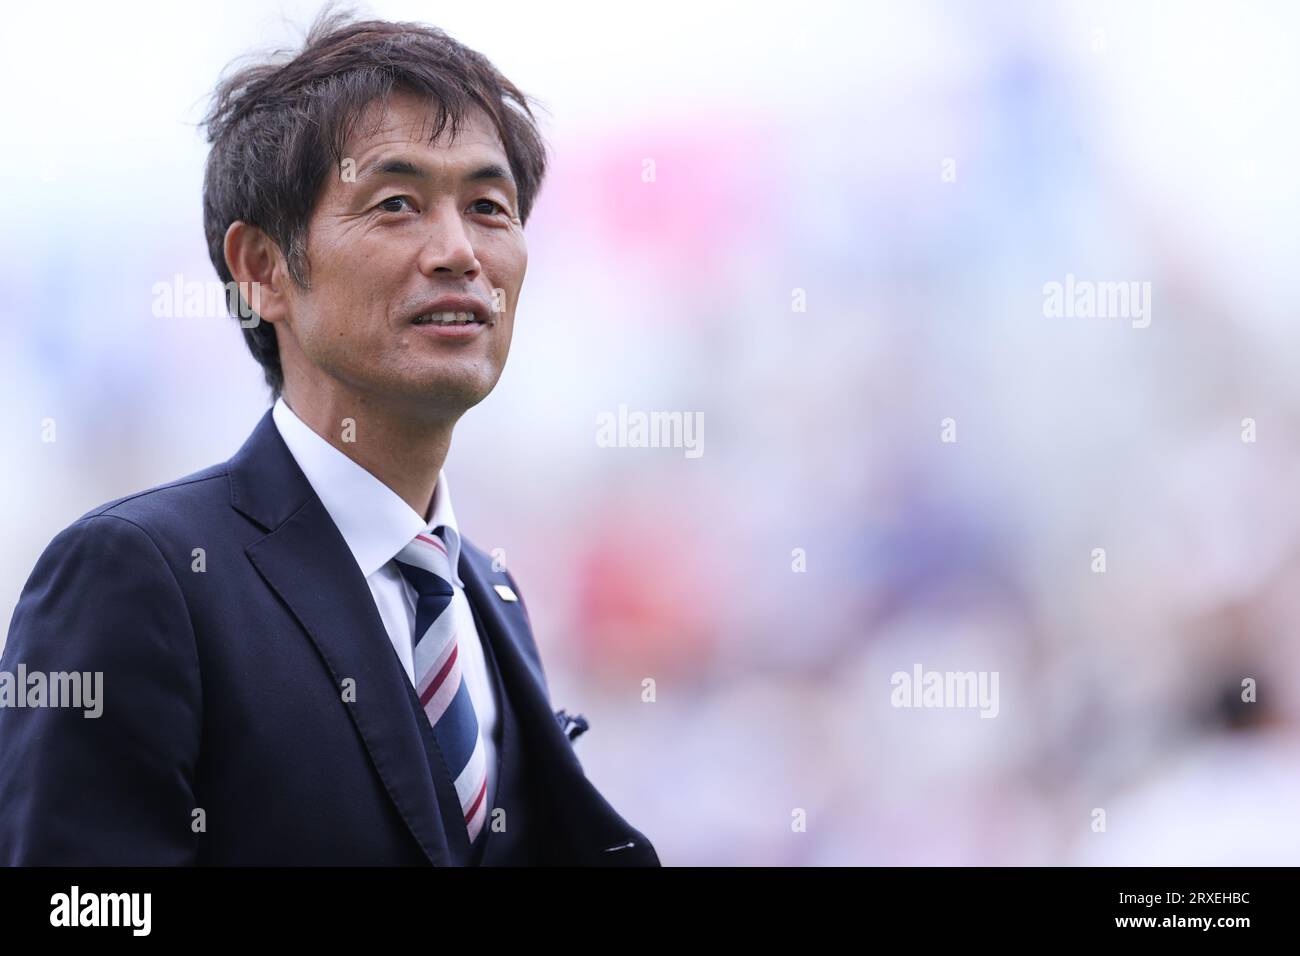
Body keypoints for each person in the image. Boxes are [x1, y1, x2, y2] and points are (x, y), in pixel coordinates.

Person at [0, 11, 660, 867]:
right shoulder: (140, 575)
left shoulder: (485, 594)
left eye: (490, 207)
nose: (459, 251)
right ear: (263, 270)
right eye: (397, 204)